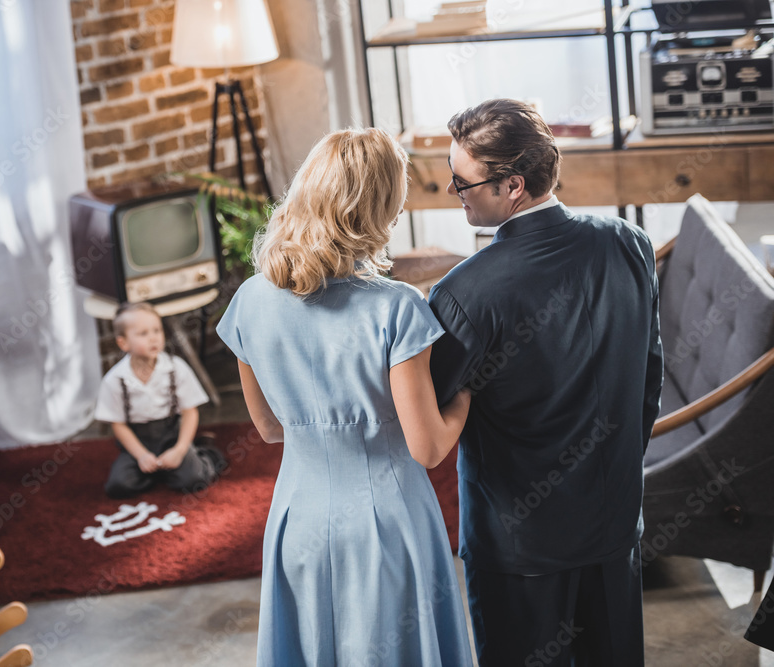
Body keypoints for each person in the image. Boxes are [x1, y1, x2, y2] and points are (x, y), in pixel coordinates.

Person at [217, 127, 473, 666]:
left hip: (297, 517)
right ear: (377, 209)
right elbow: (427, 448)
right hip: (389, 522)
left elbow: (268, 428)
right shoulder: (397, 308)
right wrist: (467, 395)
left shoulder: (250, 300)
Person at [427, 98, 663, 666]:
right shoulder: (629, 242)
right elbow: (649, 378)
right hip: (614, 524)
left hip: (520, 547)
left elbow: (426, 411)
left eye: (462, 184)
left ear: (512, 185)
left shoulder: (465, 293)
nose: (455, 194)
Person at [96, 302, 224, 498]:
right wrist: (141, 456)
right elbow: (118, 425)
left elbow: (190, 412)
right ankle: (159, 469)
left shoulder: (176, 368)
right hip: (138, 442)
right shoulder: (115, 379)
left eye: (157, 330)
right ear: (123, 343)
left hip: (172, 435)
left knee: (193, 480)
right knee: (119, 486)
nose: (153, 338)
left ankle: (202, 452)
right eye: (143, 334)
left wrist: (180, 450)